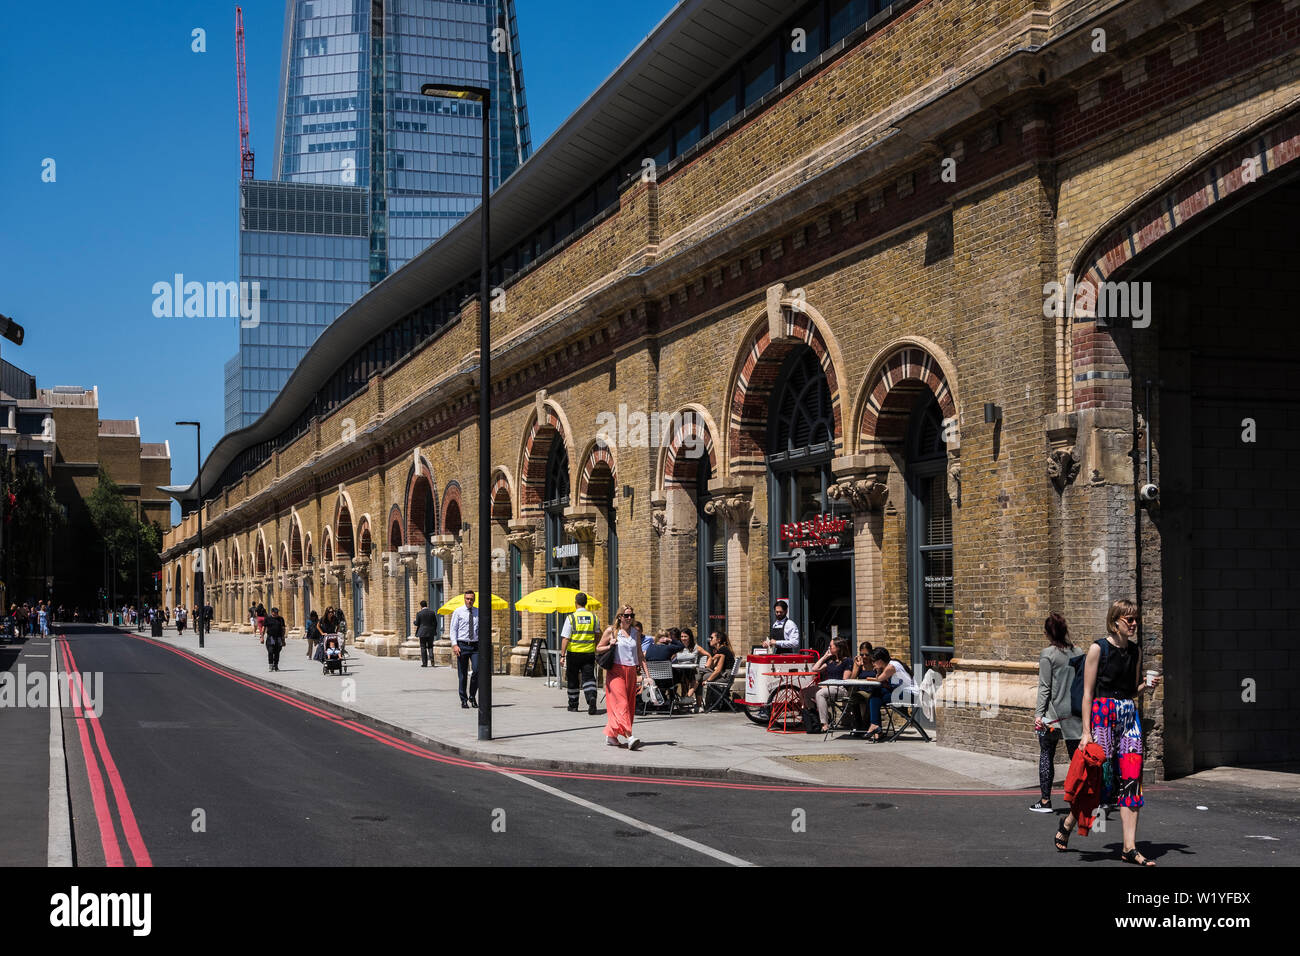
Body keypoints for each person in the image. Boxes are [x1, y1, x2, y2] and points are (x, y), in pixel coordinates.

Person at [1053, 599, 1161, 865]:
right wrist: (1086, 732)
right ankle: (1068, 822)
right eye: (1129, 620)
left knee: (1132, 779)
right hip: (1101, 715)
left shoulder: (1135, 652)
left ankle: (1129, 848)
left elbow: (1129, 690)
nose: (1134, 624)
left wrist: (1145, 688)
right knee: (1096, 780)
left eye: (1135, 619)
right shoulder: (1097, 649)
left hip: (1127, 715)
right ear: (1115, 622)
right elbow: (1087, 694)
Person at [1031, 613, 1082, 813]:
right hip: (1075, 714)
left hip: (1052, 716)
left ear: (1047, 634)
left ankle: (1045, 802)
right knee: (1077, 759)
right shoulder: (1078, 652)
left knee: (1046, 754)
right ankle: (1080, 800)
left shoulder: (1047, 654)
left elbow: (1045, 687)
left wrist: (1038, 714)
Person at [596, 605, 651, 749]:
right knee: (622, 704)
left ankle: (611, 735)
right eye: (626, 615)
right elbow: (598, 648)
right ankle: (629, 736)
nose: (629, 618)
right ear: (619, 616)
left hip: (631, 671)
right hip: (615, 671)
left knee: (629, 705)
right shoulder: (612, 631)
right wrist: (610, 646)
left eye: (631, 615)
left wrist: (648, 676)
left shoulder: (635, 633)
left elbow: (640, 655)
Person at [855, 647, 915, 741]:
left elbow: (879, 679)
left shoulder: (891, 667)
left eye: (874, 661)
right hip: (902, 693)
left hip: (909, 695)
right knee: (876, 694)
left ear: (880, 660)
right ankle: (876, 728)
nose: (873, 664)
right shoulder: (891, 664)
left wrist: (878, 670)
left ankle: (875, 726)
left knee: (875, 696)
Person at [559, 592, 599, 714]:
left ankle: (573, 705)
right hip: (588, 653)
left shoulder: (571, 618)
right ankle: (591, 697)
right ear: (586, 603)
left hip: (574, 653)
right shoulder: (594, 618)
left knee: (572, 679)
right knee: (589, 677)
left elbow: (566, 638)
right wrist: (595, 649)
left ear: (575, 603)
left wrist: (562, 655)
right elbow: (597, 635)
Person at [802, 637, 854, 732]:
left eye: (830, 646)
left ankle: (824, 724)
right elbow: (814, 669)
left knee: (820, 693)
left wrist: (828, 685)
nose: (829, 648)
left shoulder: (847, 661)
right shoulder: (830, 661)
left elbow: (845, 680)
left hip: (841, 689)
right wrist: (825, 657)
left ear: (838, 647)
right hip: (828, 688)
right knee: (805, 692)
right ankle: (814, 720)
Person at [448, 590, 479, 708]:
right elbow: (453, 629)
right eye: (467, 599)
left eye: (471, 599)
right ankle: (463, 699)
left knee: (477, 670)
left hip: (475, 645)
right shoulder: (458, 612)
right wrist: (455, 645)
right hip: (462, 645)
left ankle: (472, 695)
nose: (469, 601)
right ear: (464, 599)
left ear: (474, 599)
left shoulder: (478, 611)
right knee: (462, 674)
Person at [698, 631, 736, 711]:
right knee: (700, 674)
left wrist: (707, 681)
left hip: (725, 677)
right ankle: (706, 704)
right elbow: (711, 667)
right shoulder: (721, 650)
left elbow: (718, 670)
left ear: (718, 640)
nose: (710, 640)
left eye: (712, 638)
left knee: (700, 676)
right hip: (726, 675)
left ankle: (702, 704)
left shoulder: (723, 650)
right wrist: (712, 658)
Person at [414, 599, 438, 668]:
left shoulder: (419, 613)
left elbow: (417, 623)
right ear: (426, 605)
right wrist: (433, 630)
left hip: (422, 632)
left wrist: (414, 622)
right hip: (430, 632)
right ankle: (432, 659)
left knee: (423, 647)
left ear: (421, 606)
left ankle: (425, 663)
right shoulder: (432, 612)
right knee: (430, 646)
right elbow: (435, 623)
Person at [262, 606, 287, 672]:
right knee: (270, 651)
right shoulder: (267, 619)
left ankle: (276, 666)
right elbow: (264, 628)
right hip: (271, 637)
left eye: (277, 612)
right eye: (275, 612)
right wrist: (262, 637)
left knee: (277, 652)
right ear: (272, 612)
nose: (276, 613)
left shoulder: (281, 619)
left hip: (278, 638)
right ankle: (270, 665)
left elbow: (283, 629)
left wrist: (283, 639)